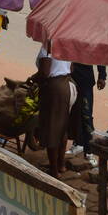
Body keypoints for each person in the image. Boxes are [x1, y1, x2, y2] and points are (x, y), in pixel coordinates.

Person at [34, 43, 79, 177]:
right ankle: (61, 164)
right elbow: (71, 67)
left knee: (51, 129)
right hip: (68, 86)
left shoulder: (47, 48)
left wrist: (33, 78)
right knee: (62, 128)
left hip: (55, 89)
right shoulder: (67, 45)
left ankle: (54, 170)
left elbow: (45, 72)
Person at [70, 62, 106, 155]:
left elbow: (100, 55)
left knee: (86, 115)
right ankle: (78, 142)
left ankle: (89, 150)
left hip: (85, 81)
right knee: (73, 113)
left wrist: (102, 76)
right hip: (69, 79)